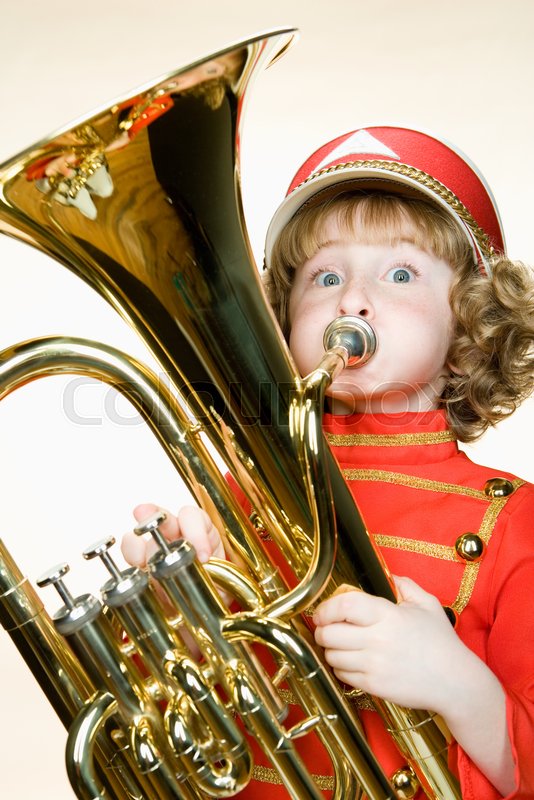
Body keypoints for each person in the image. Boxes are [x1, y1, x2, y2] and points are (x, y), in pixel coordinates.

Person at [122, 126, 534, 799]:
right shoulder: (242, 501)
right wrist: (172, 622)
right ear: (281, 328)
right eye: (325, 276)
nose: (352, 300)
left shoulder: (518, 520)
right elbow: (193, 726)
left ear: (472, 331)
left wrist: (458, 685)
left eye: (400, 273)